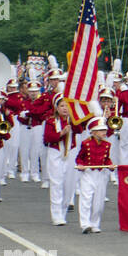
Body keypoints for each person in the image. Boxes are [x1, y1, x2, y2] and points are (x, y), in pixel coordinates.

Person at [43, 95, 82, 226]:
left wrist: (75, 119)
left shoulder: (73, 120)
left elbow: (80, 129)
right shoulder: (51, 121)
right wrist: (61, 133)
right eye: (62, 106)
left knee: (69, 183)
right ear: (56, 108)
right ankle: (56, 214)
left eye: (67, 105)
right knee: (56, 183)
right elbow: (48, 138)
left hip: (71, 152)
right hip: (56, 152)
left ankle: (63, 211)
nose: (65, 108)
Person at [75, 117, 116, 234]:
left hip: (101, 174)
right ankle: (85, 224)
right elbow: (79, 158)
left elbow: (106, 159)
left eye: (104, 130)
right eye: (101, 130)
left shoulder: (107, 144)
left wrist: (111, 165)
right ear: (93, 132)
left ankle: (95, 223)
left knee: (99, 201)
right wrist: (80, 164)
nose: (104, 132)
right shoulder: (86, 143)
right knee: (86, 199)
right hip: (88, 173)